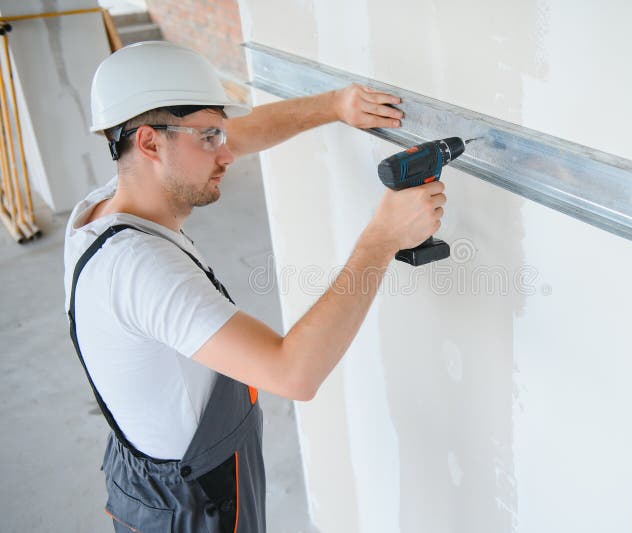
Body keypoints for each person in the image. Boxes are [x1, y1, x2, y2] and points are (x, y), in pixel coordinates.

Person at [64, 41, 446, 532]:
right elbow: (293, 373)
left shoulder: (111, 204)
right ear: (150, 143)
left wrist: (334, 105)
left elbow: (240, 135)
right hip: (189, 504)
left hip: (160, 471)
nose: (226, 153)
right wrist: (381, 239)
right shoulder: (141, 270)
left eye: (219, 133)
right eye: (209, 137)